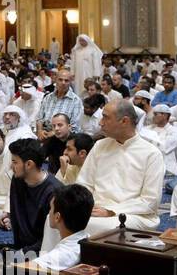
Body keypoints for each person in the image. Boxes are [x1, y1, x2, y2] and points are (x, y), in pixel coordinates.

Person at [70, 98, 164, 240]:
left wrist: (112, 211)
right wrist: (84, 206)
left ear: (124, 121)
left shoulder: (151, 153)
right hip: (96, 209)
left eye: (105, 118)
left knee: (102, 227)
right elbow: (84, 185)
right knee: (59, 217)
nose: (100, 123)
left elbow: (150, 202)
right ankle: (50, 261)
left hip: (133, 214)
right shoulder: (100, 146)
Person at [5, 138, 61, 254]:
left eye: (15, 162)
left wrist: (20, 255)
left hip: (43, 253)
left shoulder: (54, 191)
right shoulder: (17, 180)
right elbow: (16, 219)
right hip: (20, 248)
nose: (11, 166)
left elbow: (52, 237)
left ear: (29, 164)